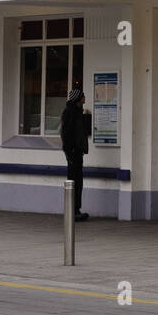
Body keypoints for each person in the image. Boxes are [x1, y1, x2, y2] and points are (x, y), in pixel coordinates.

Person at [60, 86, 89, 221]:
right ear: (78, 99)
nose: (84, 99)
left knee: (78, 181)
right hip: (73, 153)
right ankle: (73, 210)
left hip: (77, 152)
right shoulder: (70, 113)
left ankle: (76, 209)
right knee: (74, 181)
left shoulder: (77, 113)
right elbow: (66, 134)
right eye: (82, 97)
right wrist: (69, 151)